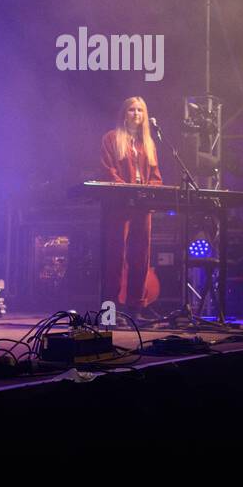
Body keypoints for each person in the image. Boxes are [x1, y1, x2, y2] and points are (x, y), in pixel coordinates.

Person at [99, 97, 163, 322]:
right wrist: (126, 191)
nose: (136, 114)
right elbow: (108, 171)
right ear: (124, 114)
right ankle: (112, 308)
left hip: (143, 206)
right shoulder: (111, 139)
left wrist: (150, 192)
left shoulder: (149, 142)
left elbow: (155, 176)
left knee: (141, 255)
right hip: (120, 205)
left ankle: (137, 306)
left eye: (140, 110)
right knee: (116, 255)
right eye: (132, 110)